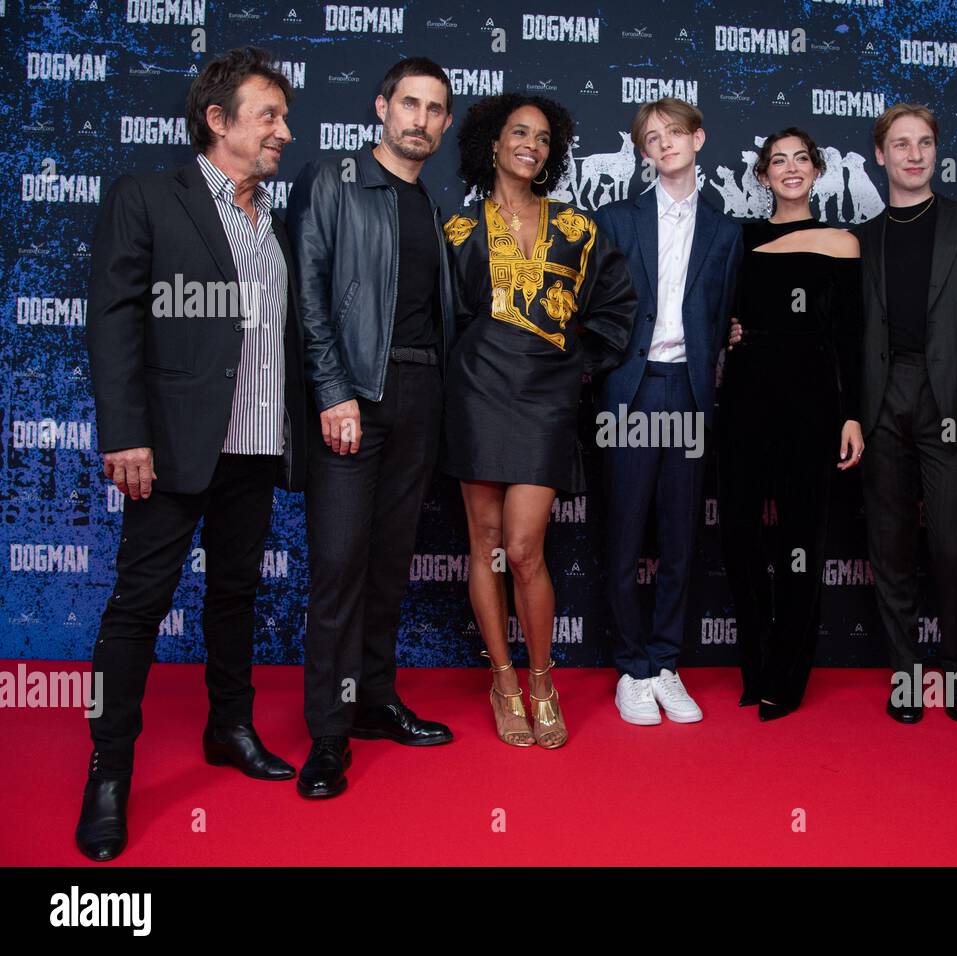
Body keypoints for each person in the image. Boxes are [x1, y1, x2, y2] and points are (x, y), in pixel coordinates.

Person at [77, 47, 307, 861]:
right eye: (268, 116)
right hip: (170, 447)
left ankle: (229, 729)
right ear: (218, 121)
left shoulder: (270, 218)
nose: (285, 130)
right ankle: (108, 771)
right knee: (136, 608)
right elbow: (113, 322)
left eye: (284, 115)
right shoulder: (149, 198)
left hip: (254, 447)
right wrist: (125, 434)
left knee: (235, 597)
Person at [441, 93, 637, 748]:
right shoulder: (460, 231)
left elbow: (616, 307)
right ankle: (503, 680)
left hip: (545, 398)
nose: (531, 144)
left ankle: (543, 678)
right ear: (491, 145)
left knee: (525, 548)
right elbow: (441, 321)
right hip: (476, 395)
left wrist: (575, 366)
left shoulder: (579, 230)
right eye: (518, 133)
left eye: (544, 137)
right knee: (486, 542)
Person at [286, 58, 457, 799]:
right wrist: (333, 391)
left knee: (389, 563)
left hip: (419, 395)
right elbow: (310, 291)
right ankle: (329, 732)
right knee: (340, 566)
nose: (420, 119)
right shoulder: (336, 180)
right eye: (409, 104)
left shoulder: (430, 205)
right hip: (354, 394)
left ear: (446, 124)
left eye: (436, 109)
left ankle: (374, 701)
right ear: (382, 106)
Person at [853, 103, 957, 723]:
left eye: (924, 143)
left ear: (935, 152)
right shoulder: (862, 239)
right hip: (881, 400)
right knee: (889, 546)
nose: (914, 155)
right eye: (901, 144)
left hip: (953, 403)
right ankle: (905, 674)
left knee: (952, 544)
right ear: (880, 156)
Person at [593, 98, 743, 726]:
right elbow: (594, 308)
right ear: (643, 151)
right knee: (625, 535)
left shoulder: (726, 229)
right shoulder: (616, 220)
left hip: (687, 390)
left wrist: (729, 334)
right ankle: (631, 668)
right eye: (652, 138)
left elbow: (726, 312)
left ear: (698, 139)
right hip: (630, 392)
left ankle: (665, 663)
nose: (664, 144)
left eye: (674, 133)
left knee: (680, 538)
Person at [721, 127, 864, 721]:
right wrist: (729, 334)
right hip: (746, 394)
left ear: (817, 169)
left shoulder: (842, 243)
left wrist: (852, 413)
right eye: (777, 161)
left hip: (811, 400)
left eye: (800, 158)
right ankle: (755, 665)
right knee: (739, 536)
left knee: (803, 537)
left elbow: (852, 339)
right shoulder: (739, 237)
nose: (789, 168)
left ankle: (788, 670)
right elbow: (713, 307)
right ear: (761, 176)